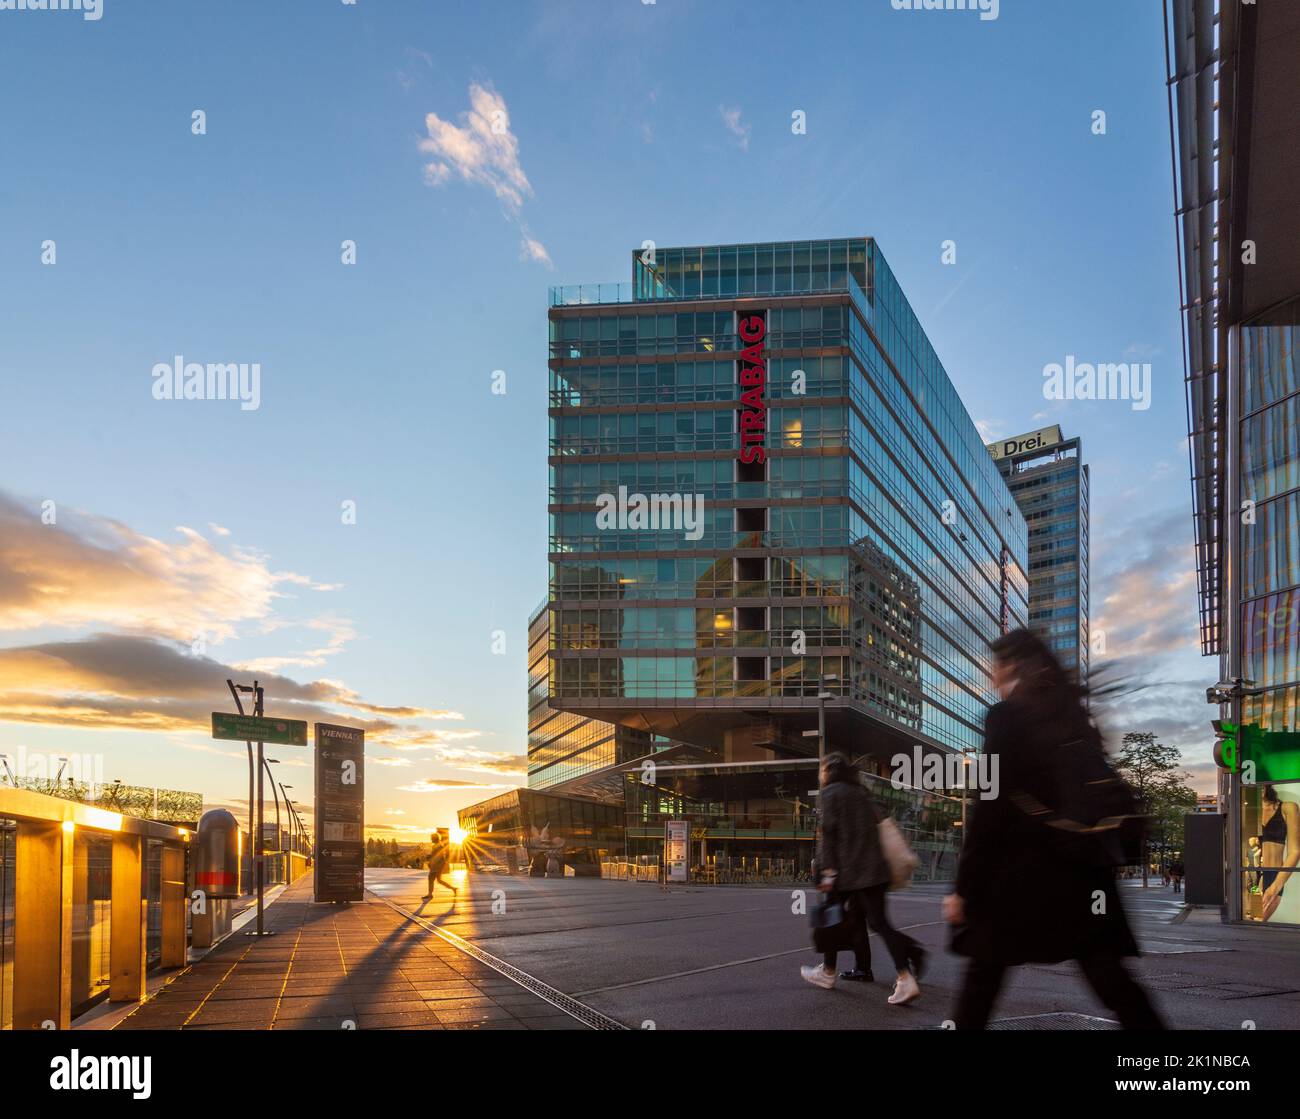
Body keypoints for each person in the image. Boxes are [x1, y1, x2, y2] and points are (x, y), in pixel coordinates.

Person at [943, 629, 1164, 1031]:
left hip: (1018, 876)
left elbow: (990, 808)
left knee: (983, 977)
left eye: (995, 663)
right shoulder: (1073, 716)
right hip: (1081, 870)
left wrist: (965, 887)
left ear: (1010, 665)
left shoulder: (1008, 716)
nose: (991, 671)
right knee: (1108, 976)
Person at [800, 751, 924, 1006]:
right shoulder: (861, 793)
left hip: (847, 872)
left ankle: (828, 972)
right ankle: (905, 978)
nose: (821, 774)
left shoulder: (830, 793)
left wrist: (826, 872)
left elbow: (829, 837)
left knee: (830, 919)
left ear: (829, 771)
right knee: (881, 924)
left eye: (822, 769)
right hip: (875, 871)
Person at [423, 835, 457, 899]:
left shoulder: (437, 846)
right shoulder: (439, 845)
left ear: (435, 838)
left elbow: (438, 856)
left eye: (432, 838)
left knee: (431, 878)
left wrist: (432, 863)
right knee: (439, 880)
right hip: (438, 865)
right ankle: (453, 888)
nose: (431, 839)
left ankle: (430, 895)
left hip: (436, 865)